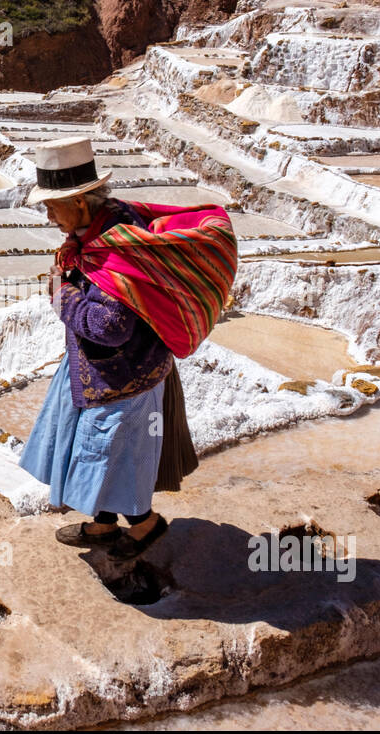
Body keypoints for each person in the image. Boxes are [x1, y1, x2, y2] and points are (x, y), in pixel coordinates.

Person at [17, 137, 225, 560]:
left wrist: (60, 292)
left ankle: (146, 524)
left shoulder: (115, 251)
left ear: (78, 202)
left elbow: (108, 326)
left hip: (122, 376)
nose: (48, 214)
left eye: (52, 205)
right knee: (103, 452)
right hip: (110, 370)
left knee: (112, 454)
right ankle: (102, 523)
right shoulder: (104, 226)